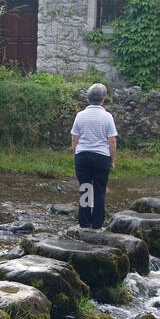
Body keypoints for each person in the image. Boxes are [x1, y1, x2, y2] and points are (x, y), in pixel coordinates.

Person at [70, 83, 117, 229]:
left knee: (85, 188)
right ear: (103, 99)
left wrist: (75, 153)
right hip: (101, 157)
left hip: (82, 155)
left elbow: (74, 139)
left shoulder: (80, 115)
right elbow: (112, 141)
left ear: (88, 98)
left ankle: (84, 222)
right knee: (99, 190)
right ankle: (97, 224)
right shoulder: (107, 117)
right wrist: (112, 160)